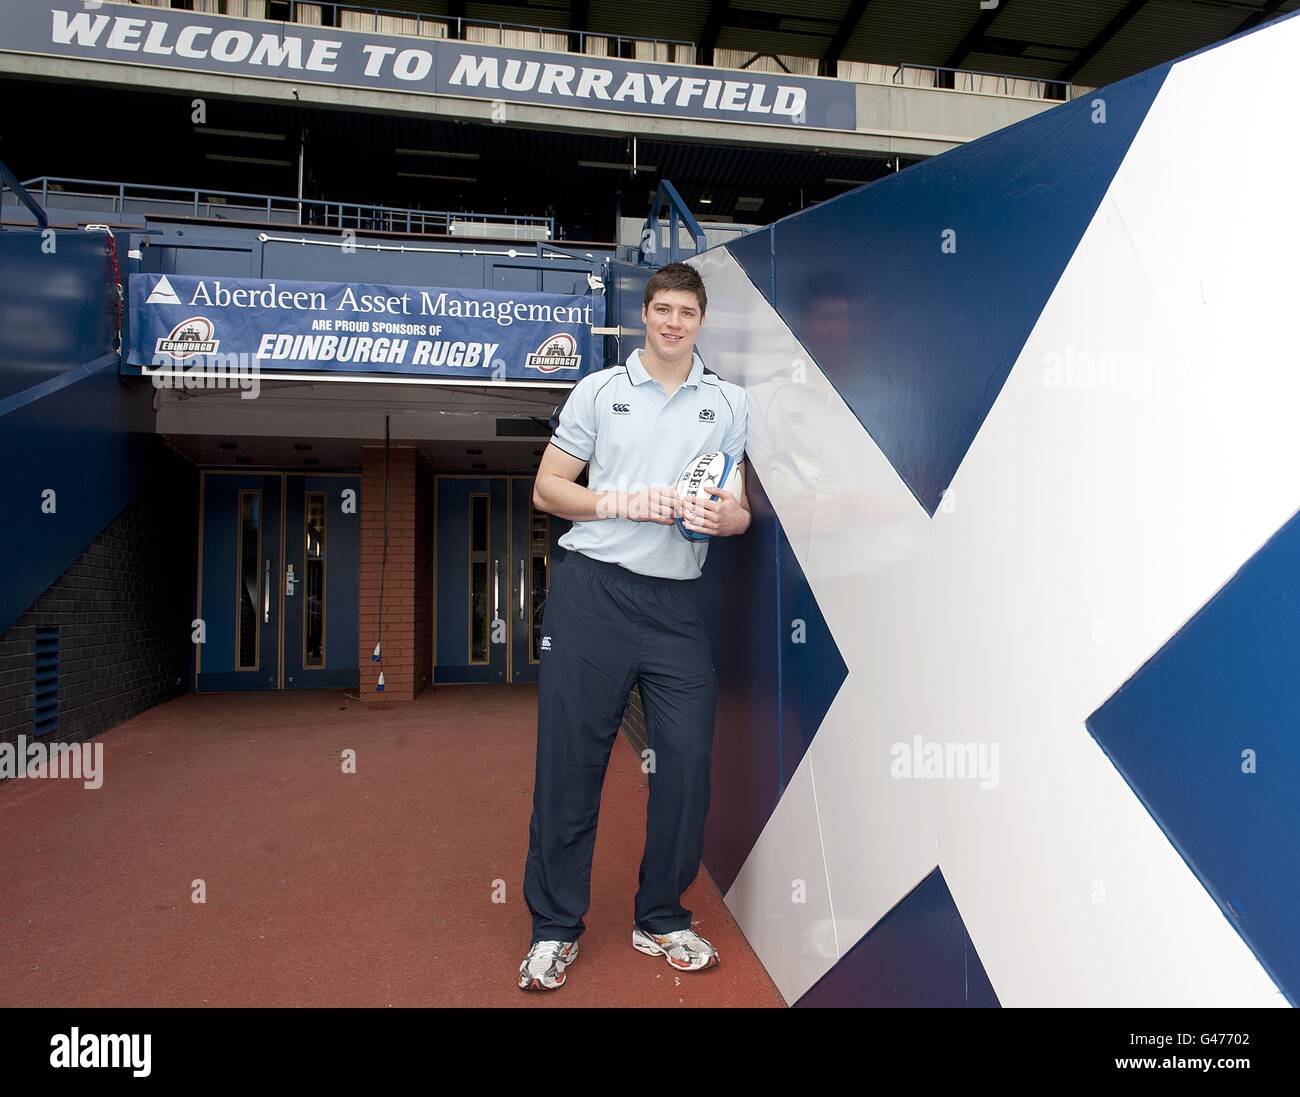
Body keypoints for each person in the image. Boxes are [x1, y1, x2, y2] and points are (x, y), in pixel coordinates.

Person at [518, 261, 750, 991]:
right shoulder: (599, 390)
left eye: (687, 310)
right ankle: (555, 927)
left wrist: (727, 518)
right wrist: (619, 502)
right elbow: (548, 488)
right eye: (662, 309)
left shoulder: (729, 403)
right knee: (570, 763)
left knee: (684, 759)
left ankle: (661, 916)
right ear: (644, 316)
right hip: (593, 594)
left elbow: (737, 502)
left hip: (676, 606)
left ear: (701, 321)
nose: (673, 321)